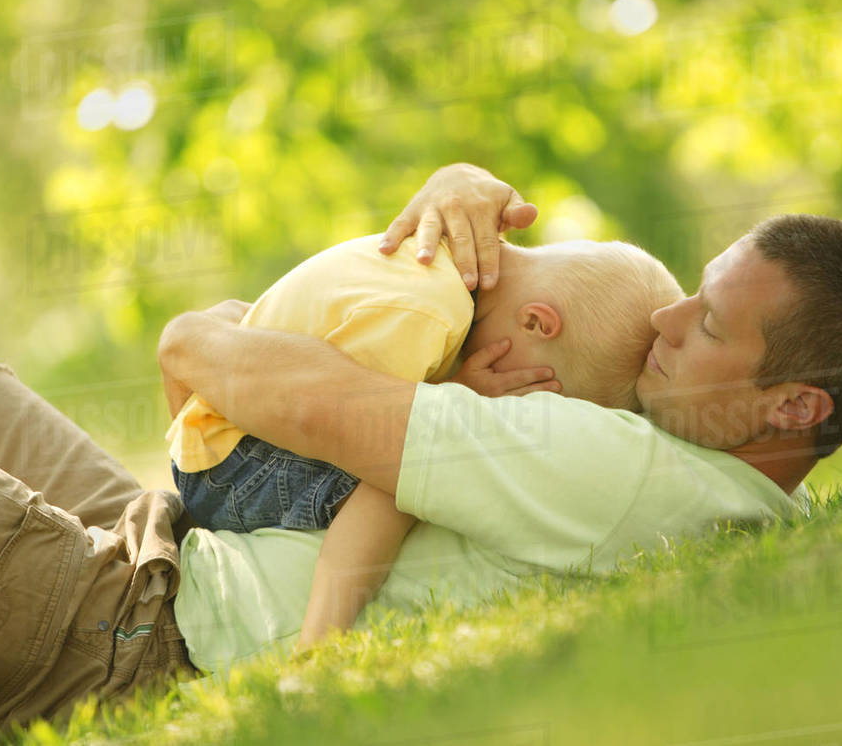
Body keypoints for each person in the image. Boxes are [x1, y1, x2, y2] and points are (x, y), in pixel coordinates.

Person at [0, 163, 842, 745]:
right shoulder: (707, 470)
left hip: (144, 636)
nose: (666, 317)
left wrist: (212, 330)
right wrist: (455, 189)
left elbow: (240, 374)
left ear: (794, 406)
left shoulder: (627, 471)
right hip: (180, 550)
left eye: (709, 324)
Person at [164, 231, 682, 649]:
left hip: (217, 427)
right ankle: (320, 641)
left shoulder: (440, 257)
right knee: (404, 470)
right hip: (232, 464)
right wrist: (454, 397)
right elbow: (370, 426)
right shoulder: (428, 315)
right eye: (534, 392)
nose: (513, 405)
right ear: (535, 322)